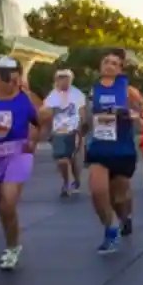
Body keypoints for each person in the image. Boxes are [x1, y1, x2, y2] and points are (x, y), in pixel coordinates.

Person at [0, 56, 49, 270]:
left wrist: (34, 139)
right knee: (3, 204)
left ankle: (12, 247)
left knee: (8, 200)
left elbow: (41, 119)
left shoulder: (26, 98)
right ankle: (11, 237)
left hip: (18, 153)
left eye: (7, 75)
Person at [81, 48, 143, 254]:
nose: (109, 65)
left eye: (114, 63)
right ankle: (110, 230)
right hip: (99, 147)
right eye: (106, 61)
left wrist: (132, 117)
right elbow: (86, 119)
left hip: (122, 149)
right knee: (98, 191)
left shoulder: (129, 91)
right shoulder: (92, 91)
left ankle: (126, 218)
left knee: (119, 198)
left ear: (120, 69)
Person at [44, 68, 86, 197]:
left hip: (73, 129)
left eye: (66, 78)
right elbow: (47, 114)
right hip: (58, 131)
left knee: (72, 158)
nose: (63, 81)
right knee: (62, 159)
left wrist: (81, 130)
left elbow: (82, 112)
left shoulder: (77, 94)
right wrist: (48, 132)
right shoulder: (52, 96)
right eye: (60, 78)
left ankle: (76, 180)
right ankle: (67, 182)